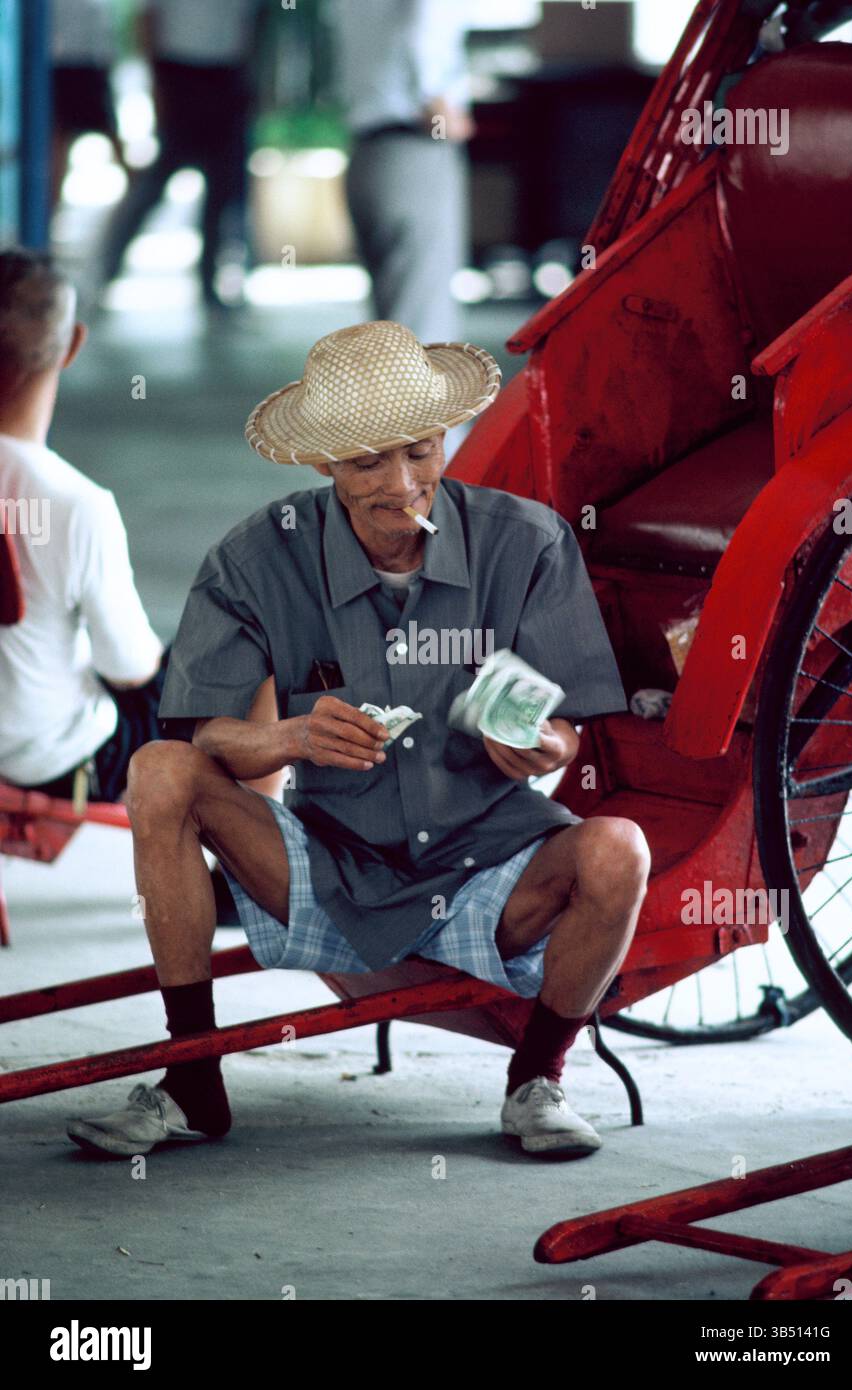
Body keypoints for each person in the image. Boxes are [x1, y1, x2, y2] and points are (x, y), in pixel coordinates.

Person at [66, 319, 650, 1161]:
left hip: (490, 868)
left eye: (418, 450)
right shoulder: (257, 557)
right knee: (161, 772)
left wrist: (542, 748)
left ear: (445, 435)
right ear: (321, 461)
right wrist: (291, 736)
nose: (401, 484)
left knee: (619, 851)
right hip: (329, 863)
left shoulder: (525, 542)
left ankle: (538, 1079)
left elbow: (563, 729)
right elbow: (209, 734)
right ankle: (192, 1079)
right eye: (366, 461)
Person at [0, 248, 164, 804]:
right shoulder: (77, 503)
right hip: (43, 757)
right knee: (250, 661)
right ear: (71, 346)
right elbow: (128, 667)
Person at [99, 0, 262, 310]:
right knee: (154, 185)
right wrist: (156, 84)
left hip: (227, 76)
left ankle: (209, 284)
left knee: (221, 192)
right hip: (179, 73)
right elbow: (147, 17)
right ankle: (106, 271)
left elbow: (252, 22)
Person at [331, 0, 473, 344]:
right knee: (422, 336)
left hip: (369, 151)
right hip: (413, 149)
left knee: (394, 334)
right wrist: (436, 100)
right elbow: (425, 27)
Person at [51, 0, 125, 209]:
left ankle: (133, 206)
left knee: (60, 142)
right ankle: (50, 215)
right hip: (64, 64)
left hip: (88, 64)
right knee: (58, 143)